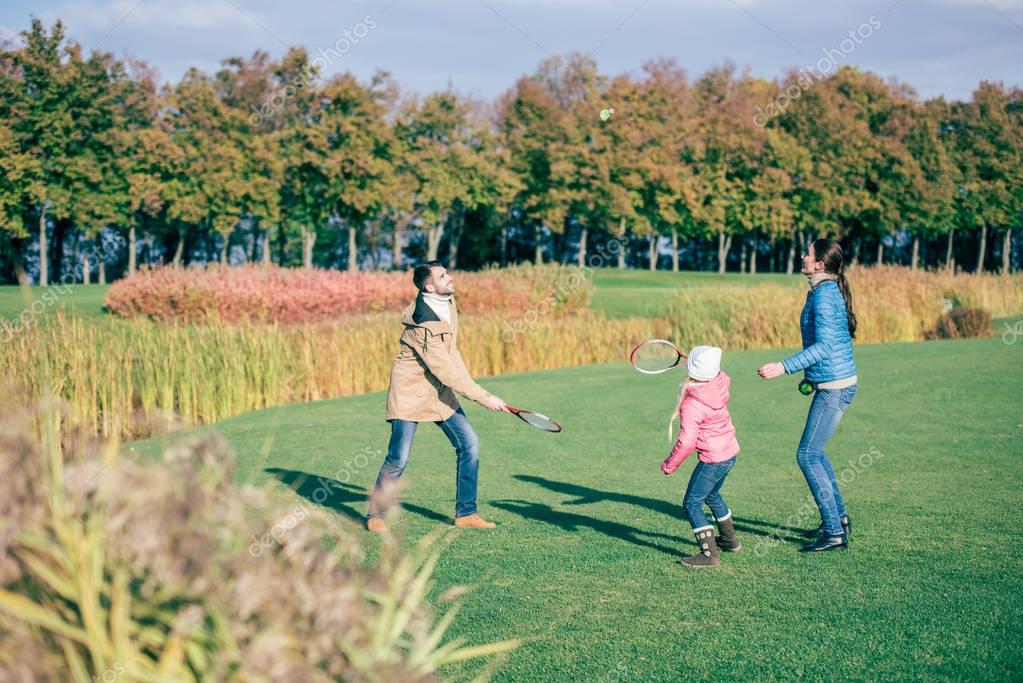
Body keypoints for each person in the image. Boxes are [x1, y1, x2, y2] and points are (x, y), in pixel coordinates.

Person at [366, 261, 507, 532]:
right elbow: (443, 368)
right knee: (398, 458)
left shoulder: (448, 304)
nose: (450, 278)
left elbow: (451, 356)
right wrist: (484, 397)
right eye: (444, 276)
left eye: (448, 272)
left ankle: (466, 513)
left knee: (470, 446)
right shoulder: (423, 322)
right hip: (410, 394)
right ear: (429, 286)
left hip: (439, 393)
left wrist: (477, 389)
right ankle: (375, 515)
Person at [757, 238, 858, 553]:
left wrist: (783, 367)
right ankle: (838, 520)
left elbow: (825, 347)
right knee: (816, 453)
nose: (802, 256)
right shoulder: (820, 290)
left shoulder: (825, 296)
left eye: (808, 253)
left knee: (807, 455)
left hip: (836, 388)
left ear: (819, 264)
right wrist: (811, 377)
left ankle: (834, 534)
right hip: (831, 383)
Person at [661, 345, 741, 568]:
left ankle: (708, 556)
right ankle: (730, 540)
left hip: (714, 459)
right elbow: (714, 371)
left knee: (691, 504)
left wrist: (669, 465)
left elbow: (686, 442)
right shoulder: (720, 382)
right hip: (730, 453)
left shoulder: (693, 404)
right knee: (713, 495)